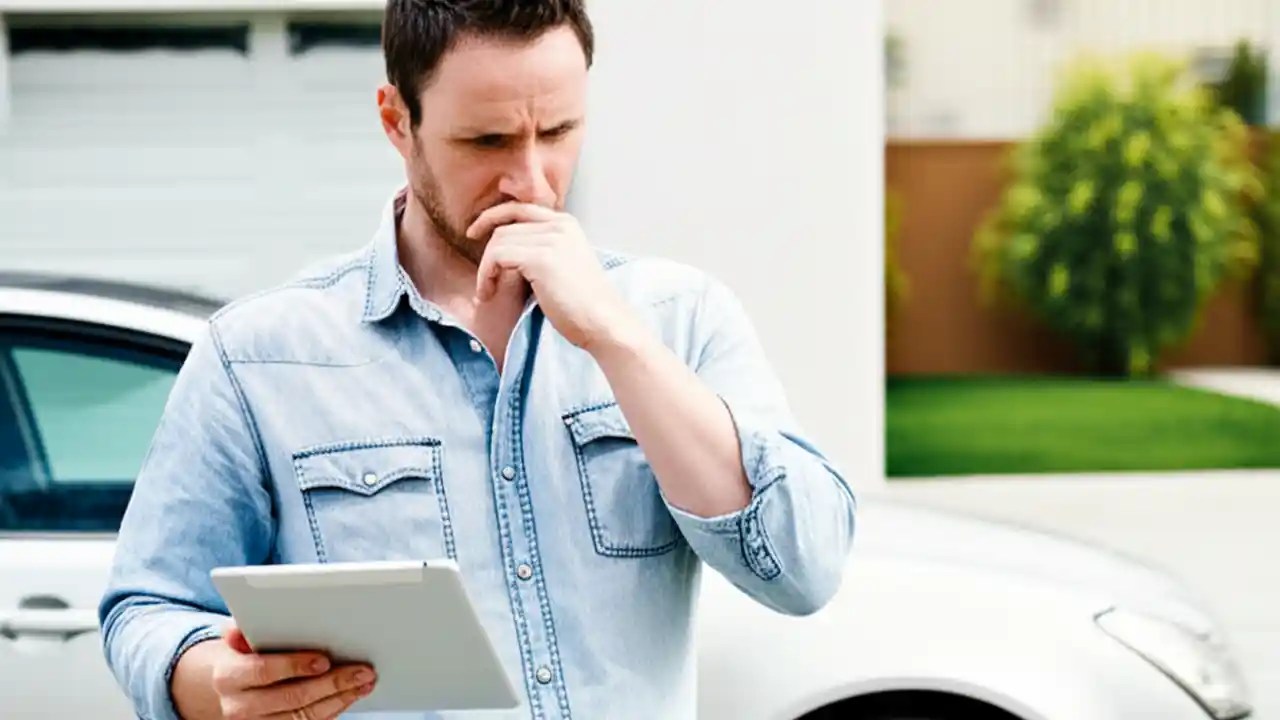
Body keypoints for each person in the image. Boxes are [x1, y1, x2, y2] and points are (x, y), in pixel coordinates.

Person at [97, 1, 857, 719]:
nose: (530, 181)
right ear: (397, 121)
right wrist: (214, 683)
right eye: (487, 142)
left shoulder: (678, 318)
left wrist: (615, 340)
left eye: (558, 131)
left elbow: (803, 569)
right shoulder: (257, 357)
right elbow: (146, 610)